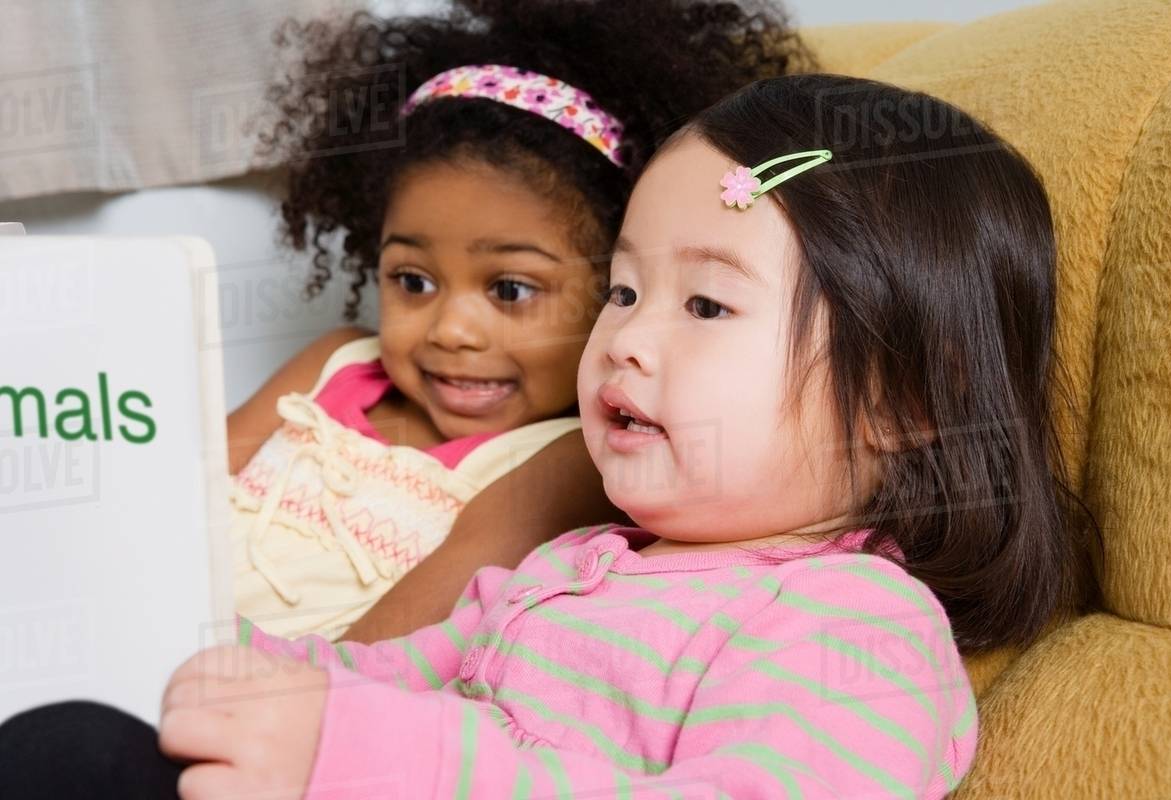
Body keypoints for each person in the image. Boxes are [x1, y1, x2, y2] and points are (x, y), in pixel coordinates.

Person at [1, 72, 1105, 799]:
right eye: (623, 292)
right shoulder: (577, 567)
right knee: (88, 725)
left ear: (910, 398)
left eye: (706, 306)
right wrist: (203, 653)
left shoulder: (855, 620)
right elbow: (379, 671)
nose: (626, 342)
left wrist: (370, 751)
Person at [225, 0, 810, 641]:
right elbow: (163, 485)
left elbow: (386, 651)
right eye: (412, 281)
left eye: (510, 289)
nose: (452, 330)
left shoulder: (571, 459)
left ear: (617, 292)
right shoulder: (333, 363)